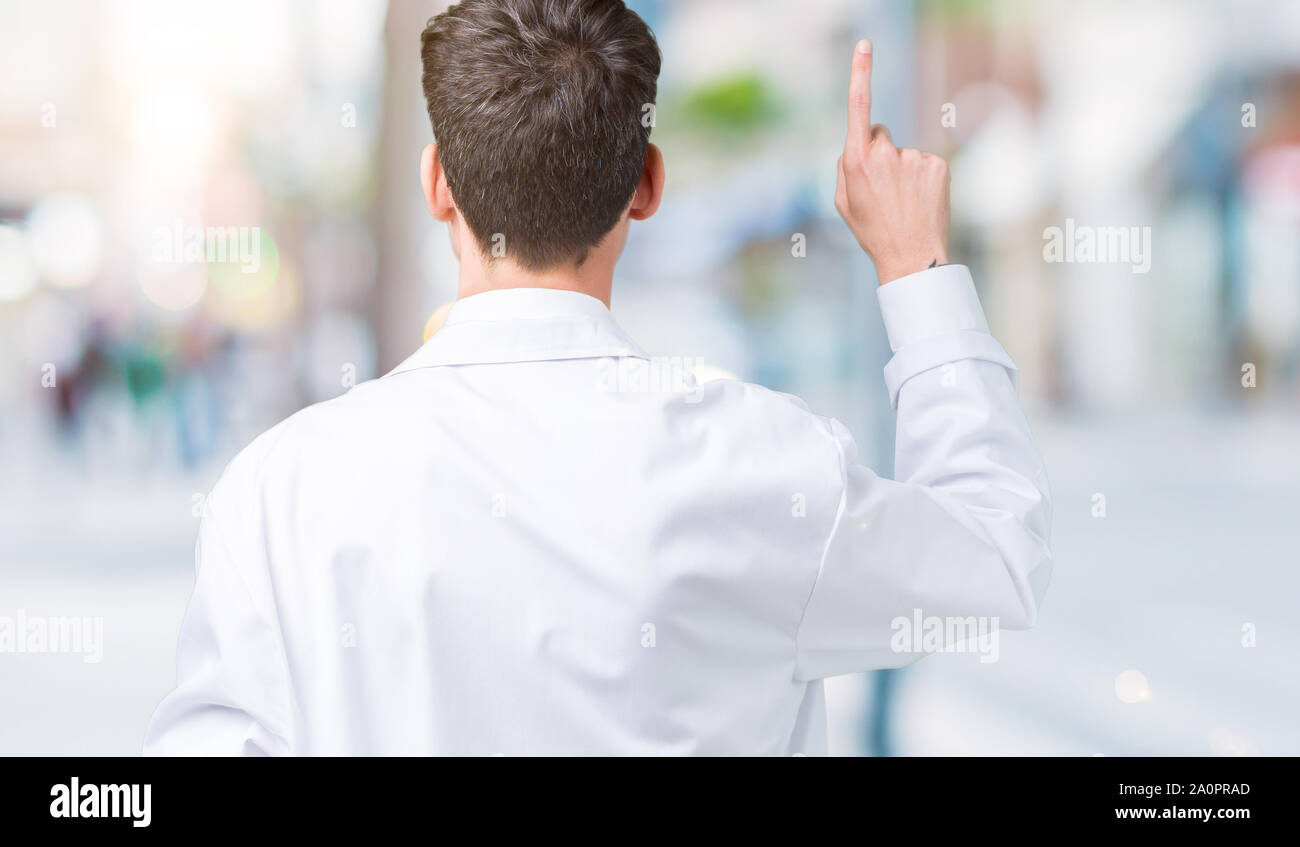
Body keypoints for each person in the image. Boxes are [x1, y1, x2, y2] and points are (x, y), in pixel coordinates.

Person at [144, 0, 1051, 756]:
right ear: (648, 185)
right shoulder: (768, 465)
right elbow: (997, 563)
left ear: (437, 184)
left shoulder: (278, 488)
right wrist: (916, 265)